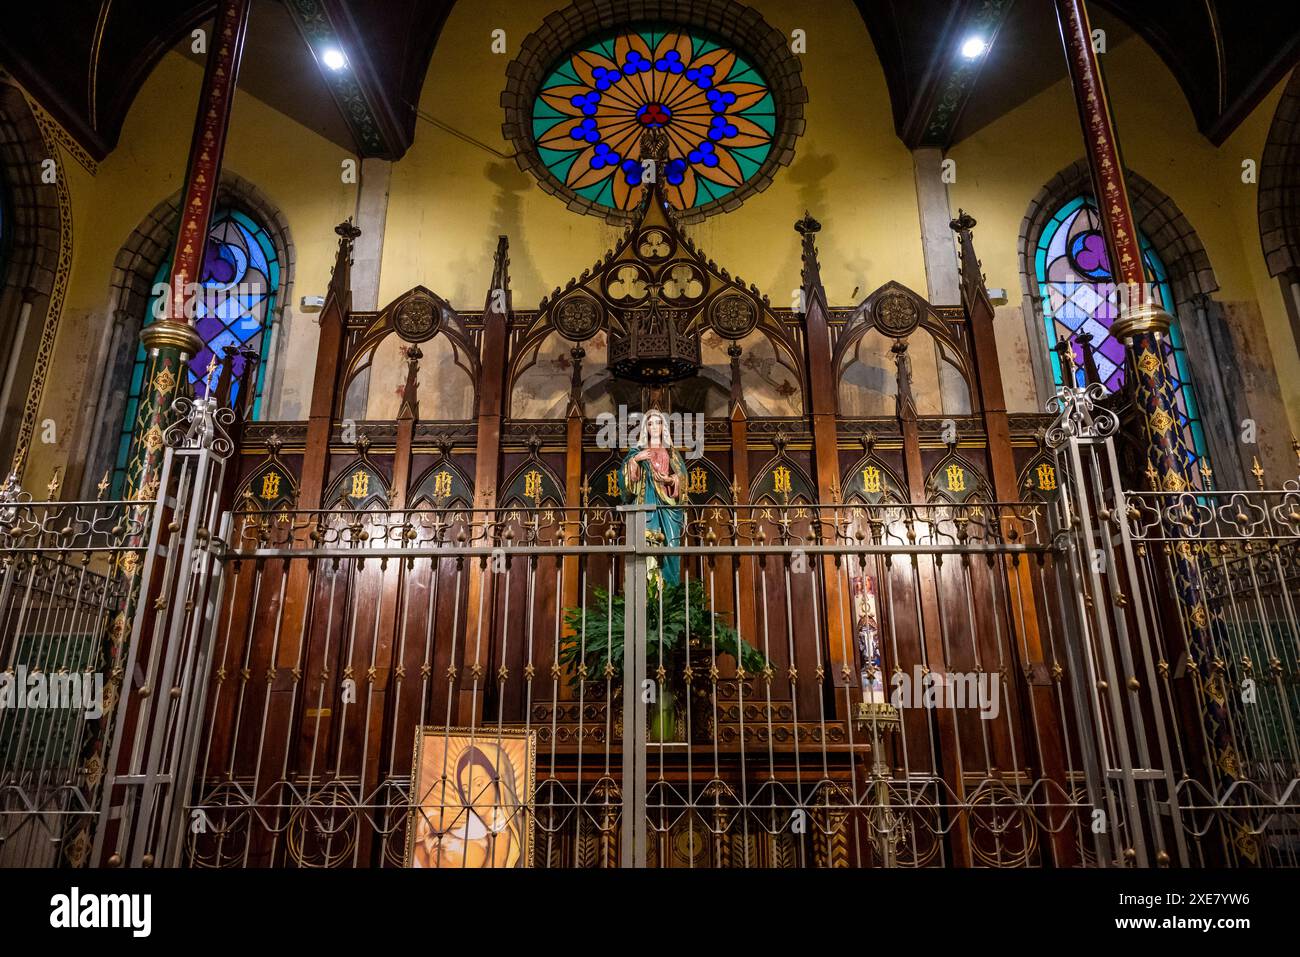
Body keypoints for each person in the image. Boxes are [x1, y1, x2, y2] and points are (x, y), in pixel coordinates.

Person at [619, 408, 689, 585]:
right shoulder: (638, 450)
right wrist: (636, 460)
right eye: (650, 423)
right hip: (646, 501)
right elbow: (625, 477)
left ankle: (669, 592)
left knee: (670, 547)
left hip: (667, 506)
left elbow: (683, 478)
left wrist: (671, 480)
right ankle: (647, 591)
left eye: (658, 422)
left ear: (663, 426)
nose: (655, 427)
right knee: (647, 545)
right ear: (645, 428)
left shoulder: (672, 452)